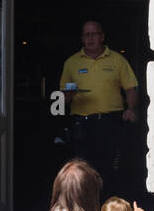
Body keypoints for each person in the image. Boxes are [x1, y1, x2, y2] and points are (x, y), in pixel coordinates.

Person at [59, 20, 139, 190]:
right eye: (86, 35)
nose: (90, 38)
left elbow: (131, 88)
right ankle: (85, 209)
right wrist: (67, 96)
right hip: (82, 124)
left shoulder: (117, 60)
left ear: (102, 36)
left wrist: (131, 108)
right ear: (82, 38)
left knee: (110, 169)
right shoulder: (71, 63)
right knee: (82, 171)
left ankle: (108, 209)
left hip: (110, 123)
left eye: (94, 34)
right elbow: (62, 96)